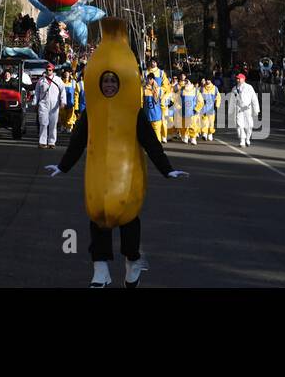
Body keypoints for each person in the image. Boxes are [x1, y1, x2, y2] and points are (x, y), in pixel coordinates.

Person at [45, 70, 189, 287]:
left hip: (127, 175)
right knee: (99, 217)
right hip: (100, 175)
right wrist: (63, 166)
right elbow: (78, 142)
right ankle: (100, 270)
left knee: (128, 221)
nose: (109, 85)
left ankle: (133, 261)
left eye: (113, 81)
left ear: (120, 85)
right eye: (105, 81)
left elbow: (151, 143)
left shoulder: (133, 112)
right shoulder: (91, 111)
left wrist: (167, 169)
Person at [34, 65, 66, 148]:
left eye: (50, 70)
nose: (48, 71)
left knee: (53, 123)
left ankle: (51, 142)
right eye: (47, 70)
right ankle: (42, 142)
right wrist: (35, 103)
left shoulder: (58, 80)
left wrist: (63, 101)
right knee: (43, 123)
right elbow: (37, 92)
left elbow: (63, 91)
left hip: (54, 104)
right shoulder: (41, 80)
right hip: (43, 103)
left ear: (53, 70)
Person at [230, 73, 259, 147]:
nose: (237, 80)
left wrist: (256, 110)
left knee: (249, 125)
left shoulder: (249, 87)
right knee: (239, 124)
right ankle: (242, 140)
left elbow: (254, 99)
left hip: (247, 108)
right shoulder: (234, 88)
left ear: (243, 79)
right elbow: (232, 100)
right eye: (237, 78)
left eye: (239, 78)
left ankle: (247, 139)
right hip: (239, 108)